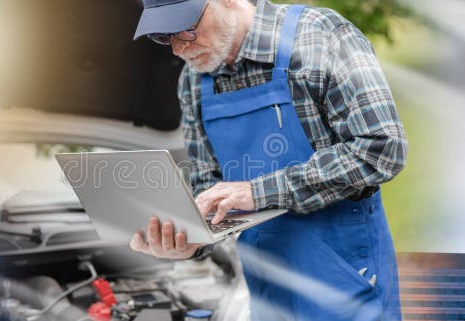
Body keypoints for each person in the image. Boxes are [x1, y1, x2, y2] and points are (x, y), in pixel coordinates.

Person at [129, 0, 407, 320]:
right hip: (267, 293)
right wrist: (192, 239)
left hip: (346, 281)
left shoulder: (321, 37)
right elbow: (209, 188)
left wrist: (258, 193)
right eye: (164, 36)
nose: (178, 49)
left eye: (186, 29)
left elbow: (381, 148)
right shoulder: (193, 82)